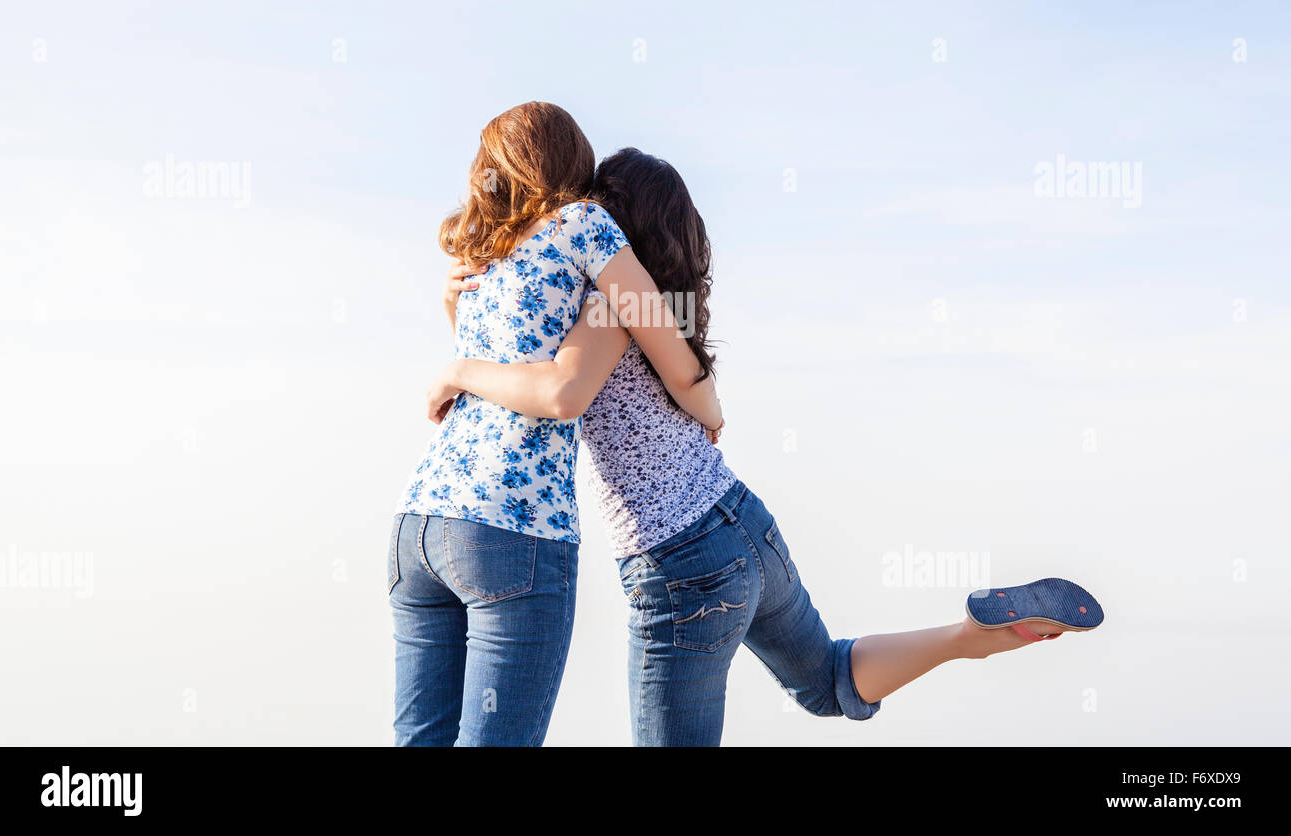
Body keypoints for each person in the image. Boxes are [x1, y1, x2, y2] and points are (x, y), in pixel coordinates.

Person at [424, 147, 1104, 746]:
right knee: (827, 680)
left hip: (676, 564)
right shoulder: (661, 313)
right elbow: (689, 386)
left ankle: (969, 638)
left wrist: (463, 331)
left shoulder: (602, 313)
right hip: (741, 523)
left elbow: (546, 384)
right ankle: (969, 636)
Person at [389, 108, 722, 746]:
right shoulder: (582, 224)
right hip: (510, 528)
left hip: (419, 526)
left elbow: (506, 358)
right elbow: (656, 339)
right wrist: (710, 410)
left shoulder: (481, 257)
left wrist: (455, 337)